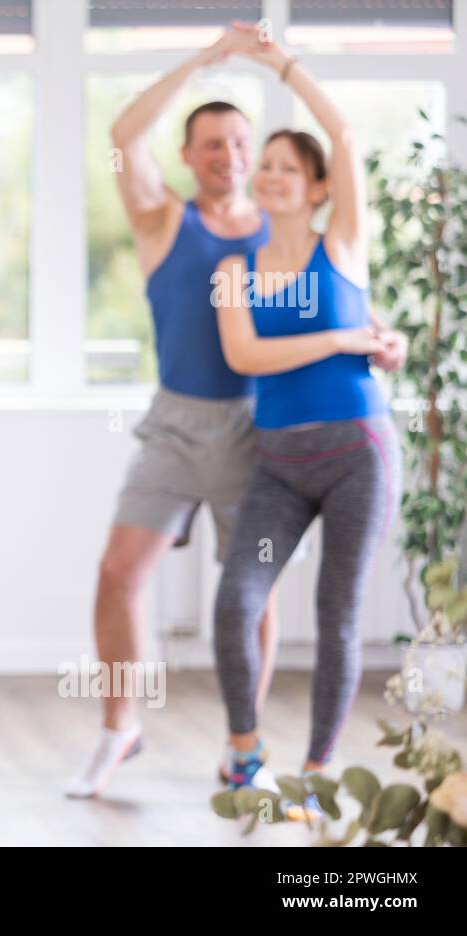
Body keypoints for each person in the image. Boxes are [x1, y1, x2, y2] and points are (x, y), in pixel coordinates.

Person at [69, 26, 283, 798]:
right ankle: (120, 729)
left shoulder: (281, 233)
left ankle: (242, 749)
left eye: (238, 143)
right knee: (118, 574)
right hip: (176, 421)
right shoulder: (164, 220)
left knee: (252, 592)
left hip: (255, 429)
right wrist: (205, 59)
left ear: (252, 154)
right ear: (189, 157)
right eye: (212, 144)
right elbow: (125, 132)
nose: (227, 156)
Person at [211, 33, 406, 820]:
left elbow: (348, 135)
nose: (271, 176)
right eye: (267, 166)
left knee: (338, 615)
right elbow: (248, 356)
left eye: (290, 167)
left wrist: (280, 66)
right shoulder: (236, 271)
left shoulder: (345, 246)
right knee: (236, 603)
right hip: (283, 466)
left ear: (320, 187)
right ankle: (245, 752)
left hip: (360, 456)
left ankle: (319, 772)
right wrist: (340, 337)